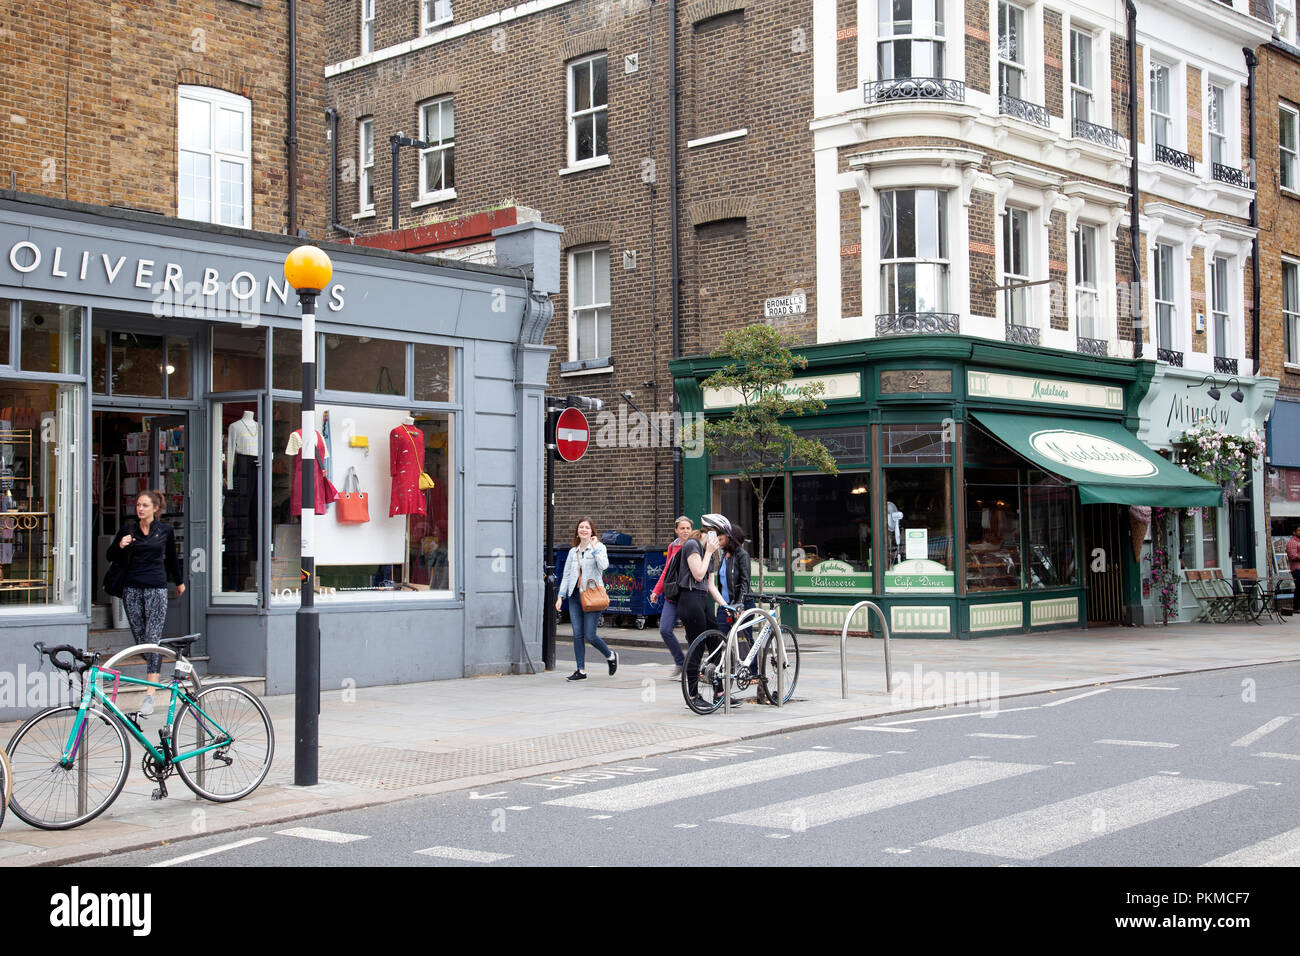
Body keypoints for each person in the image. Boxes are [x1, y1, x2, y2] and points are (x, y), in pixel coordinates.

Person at [107, 490, 185, 717]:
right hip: (131, 589)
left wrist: (179, 582)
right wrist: (120, 545)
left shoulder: (165, 531)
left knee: (152, 640)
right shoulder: (128, 530)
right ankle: (157, 669)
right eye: (138, 505)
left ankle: (150, 694)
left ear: (155, 509)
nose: (140, 509)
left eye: (144, 505)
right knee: (141, 641)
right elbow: (110, 556)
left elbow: (172, 558)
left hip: (156, 588)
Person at [679, 513, 736, 707]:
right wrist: (710, 552)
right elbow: (698, 574)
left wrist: (726, 605)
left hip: (703, 600)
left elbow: (711, 585)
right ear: (710, 533)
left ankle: (719, 692)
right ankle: (693, 697)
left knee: (716, 642)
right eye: (719, 538)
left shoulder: (711, 552)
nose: (720, 543)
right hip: (689, 599)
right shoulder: (692, 546)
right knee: (697, 646)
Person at [555, 517, 618, 681]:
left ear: (592, 532)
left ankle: (610, 655)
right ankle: (580, 670)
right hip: (575, 596)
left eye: (587, 528)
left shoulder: (599, 547)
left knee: (590, 635)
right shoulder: (572, 552)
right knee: (577, 634)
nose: (583, 530)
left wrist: (595, 548)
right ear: (577, 530)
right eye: (581, 527)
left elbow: (604, 566)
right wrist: (560, 596)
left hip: (592, 596)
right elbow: (566, 575)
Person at [648, 515, 692, 678]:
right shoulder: (672, 547)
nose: (685, 531)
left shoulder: (694, 546)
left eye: (688, 528)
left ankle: (691, 666)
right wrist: (656, 591)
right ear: (676, 530)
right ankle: (680, 662)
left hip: (688, 595)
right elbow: (666, 571)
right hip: (672, 595)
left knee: (690, 633)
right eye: (682, 528)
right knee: (665, 629)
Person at [716, 523, 754, 636]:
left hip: (741, 604)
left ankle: (752, 655)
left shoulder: (742, 555)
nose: (718, 538)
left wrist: (739, 605)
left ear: (730, 537)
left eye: (721, 536)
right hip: (725, 605)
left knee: (745, 641)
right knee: (721, 637)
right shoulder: (724, 555)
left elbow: (745, 582)